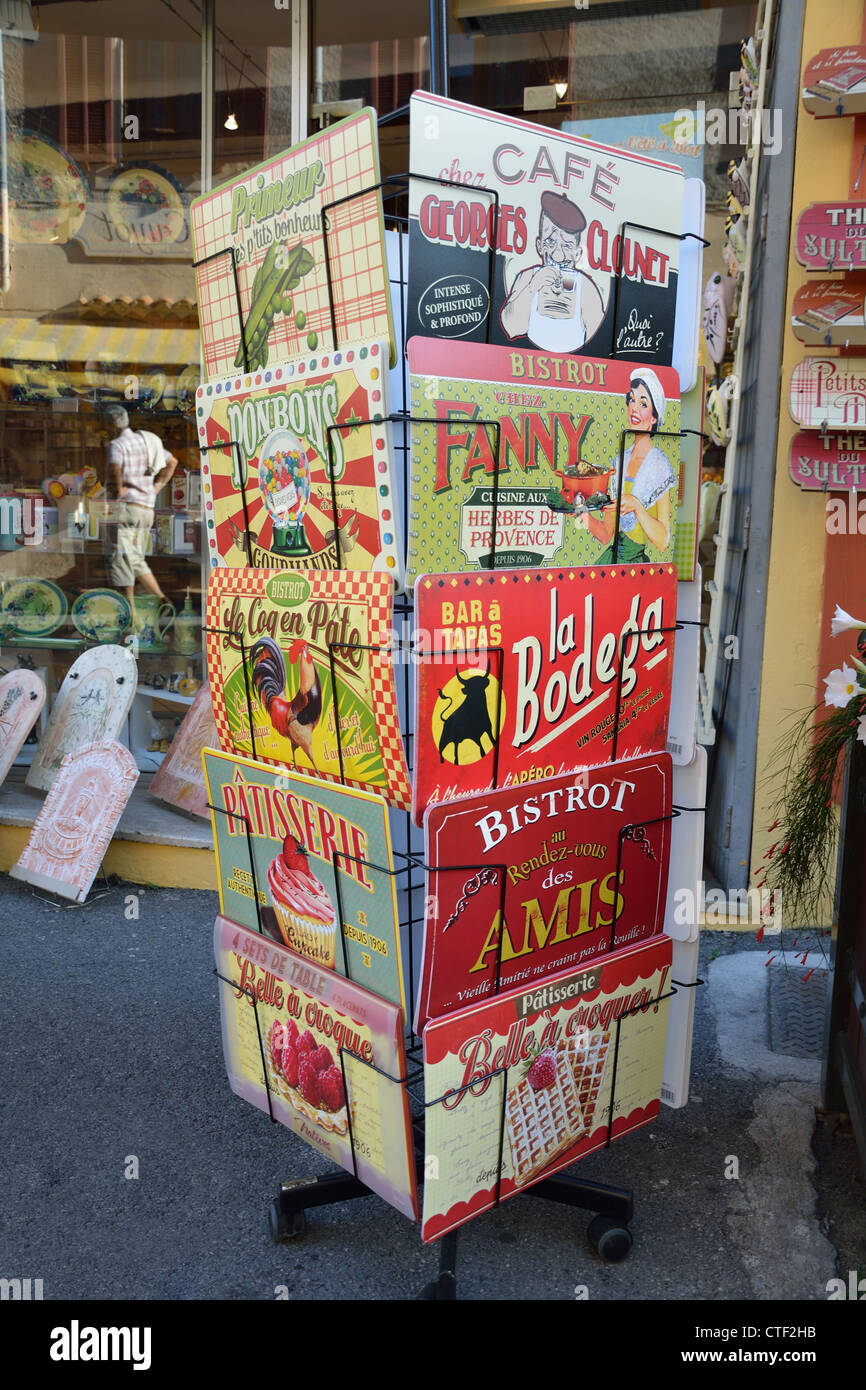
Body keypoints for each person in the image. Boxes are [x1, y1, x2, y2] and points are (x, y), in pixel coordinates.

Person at [576, 368, 675, 563]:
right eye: (632, 399)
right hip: (611, 560)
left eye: (643, 403)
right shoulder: (619, 461)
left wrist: (637, 506)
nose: (634, 408)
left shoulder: (660, 465)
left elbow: (663, 541)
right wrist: (580, 511)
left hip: (635, 565)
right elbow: (606, 534)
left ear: (654, 417)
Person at [500, 190, 605, 352]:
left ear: (577, 253)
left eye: (567, 245)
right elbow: (511, 327)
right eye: (550, 242)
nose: (558, 255)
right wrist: (532, 287)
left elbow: (600, 344)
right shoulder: (528, 277)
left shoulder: (586, 288)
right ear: (539, 246)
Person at [104, 404, 177, 606]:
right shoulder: (146, 442)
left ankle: (131, 610)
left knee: (123, 558)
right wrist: (156, 487)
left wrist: (118, 490)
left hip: (127, 508)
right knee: (135, 558)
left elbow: (115, 468)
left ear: (111, 425)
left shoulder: (117, 445)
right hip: (146, 509)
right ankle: (161, 601)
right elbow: (173, 462)